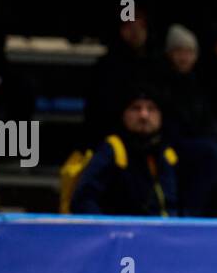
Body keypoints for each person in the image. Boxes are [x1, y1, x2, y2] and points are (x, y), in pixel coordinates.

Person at [71, 87, 179, 216]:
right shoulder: (112, 149)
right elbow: (82, 200)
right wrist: (108, 229)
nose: (144, 115)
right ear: (124, 114)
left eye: (151, 109)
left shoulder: (168, 154)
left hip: (162, 233)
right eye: (136, 108)